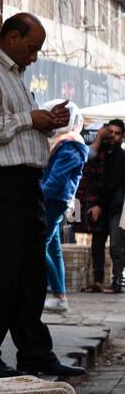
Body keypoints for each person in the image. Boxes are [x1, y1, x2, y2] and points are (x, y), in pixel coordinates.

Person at [0, 12, 83, 379]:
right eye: (31, 48)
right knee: (1, 270)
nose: (34, 57)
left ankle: (35, 354)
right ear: (12, 37)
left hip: (25, 183)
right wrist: (31, 119)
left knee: (29, 273)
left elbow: (14, 128)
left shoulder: (15, 75)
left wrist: (46, 121)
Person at [40, 100, 88, 313]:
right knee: (53, 247)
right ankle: (59, 296)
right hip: (57, 199)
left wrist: (37, 194)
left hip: (54, 200)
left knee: (36, 245)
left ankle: (59, 295)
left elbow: (56, 181)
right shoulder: (67, 144)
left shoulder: (69, 145)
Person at [78, 118, 125, 293]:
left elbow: (111, 184)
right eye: (110, 132)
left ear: (123, 137)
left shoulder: (121, 157)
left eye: (117, 133)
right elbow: (88, 160)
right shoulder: (101, 153)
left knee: (116, 245)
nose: (113, 136)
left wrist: (99, 205)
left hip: (116, 207)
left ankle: (118, 281)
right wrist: (98, 138)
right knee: (97, 244)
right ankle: (98, 281)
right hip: (98, 204)